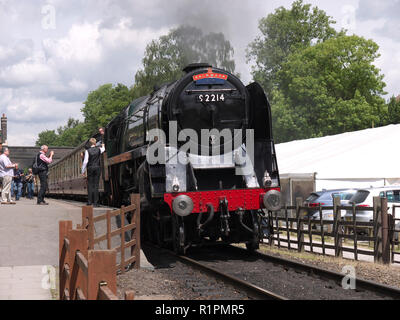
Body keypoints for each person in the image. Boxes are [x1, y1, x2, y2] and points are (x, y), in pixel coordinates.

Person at [81, 138, 105, 207]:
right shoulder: (99, 149)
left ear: (90, 144)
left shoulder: (87, 151)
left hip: (90, 168)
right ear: (95, 143)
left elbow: (85, 161)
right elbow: (103, 149)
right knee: (96, 185)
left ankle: (89, 202)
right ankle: (96, 203)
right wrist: (103, 145)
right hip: (97, 167)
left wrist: (83, 170)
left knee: (90, 184)